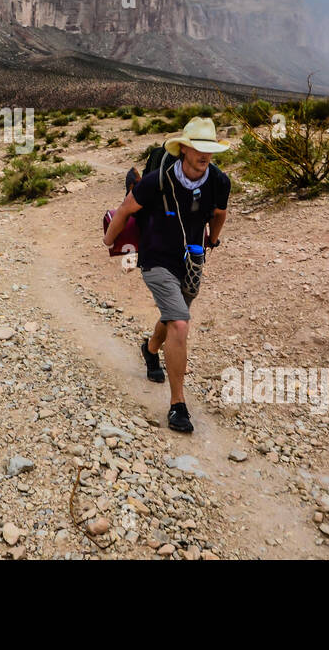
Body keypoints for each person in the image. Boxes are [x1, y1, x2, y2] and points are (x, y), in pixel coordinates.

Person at [104, 117, 230, 432]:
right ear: (184, 149)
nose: (205, 155)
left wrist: (211, 240)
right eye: (199, 148)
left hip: (190, 261)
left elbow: (219, 213)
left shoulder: (219, 182)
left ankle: (150, 350)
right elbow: (125, 210)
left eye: (210, 149)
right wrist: (110, 240)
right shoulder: (157, 181)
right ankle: (178, 406)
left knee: (175, 314)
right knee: (179, 321)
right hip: (156, 258)